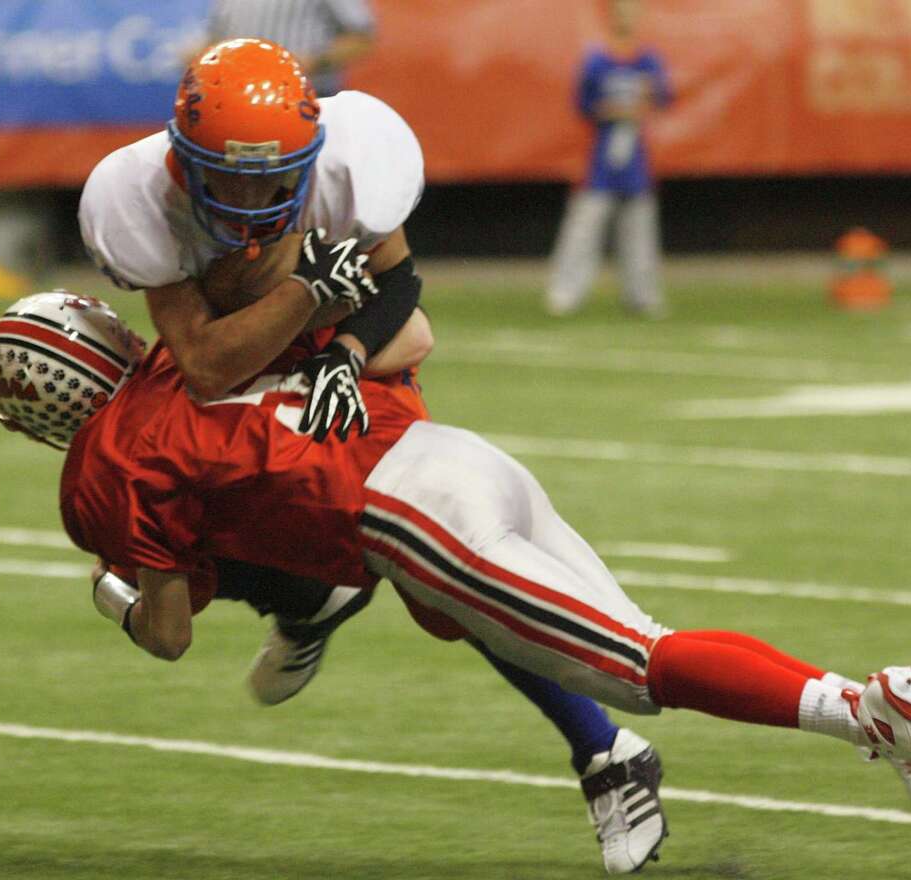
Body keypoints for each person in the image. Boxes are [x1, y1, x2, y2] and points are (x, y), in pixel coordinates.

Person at [0, 293, 911, 863]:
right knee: (636, 631)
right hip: (460, 457)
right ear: (100, 332)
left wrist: (113, 591)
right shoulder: (195, 339)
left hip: (412, 523)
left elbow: (167, 632)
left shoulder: (105, 462)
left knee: (642, 665)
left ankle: (870, 711)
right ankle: (894, 747)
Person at [77, 38, 669, 872]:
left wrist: (346, 349)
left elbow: (399, 288)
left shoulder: (352, 164)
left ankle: (605, 752)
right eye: (229, 174)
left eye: (274, 175)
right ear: (183, 160)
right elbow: (206, 366)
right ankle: (309, 601)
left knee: (454, 582)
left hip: (337, 376)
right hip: (236, 374)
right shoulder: (142, 199)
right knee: (186, 503)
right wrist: (308, 292)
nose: (251, 196)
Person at [546, 0, 673, 318]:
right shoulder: (597, 61)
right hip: (602, 160)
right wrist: (614, 110)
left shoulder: (648, 60)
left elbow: (662, 97)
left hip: (635, 158)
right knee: (585, 228)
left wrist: (646, 99)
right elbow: (584, 104)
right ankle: (565, 291)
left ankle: (642, 295)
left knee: (639, 230)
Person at [204, 0, 376, 97]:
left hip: (304, 99)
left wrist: (314, 62)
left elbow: (360, 38)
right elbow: (217, 37)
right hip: (235, 100)